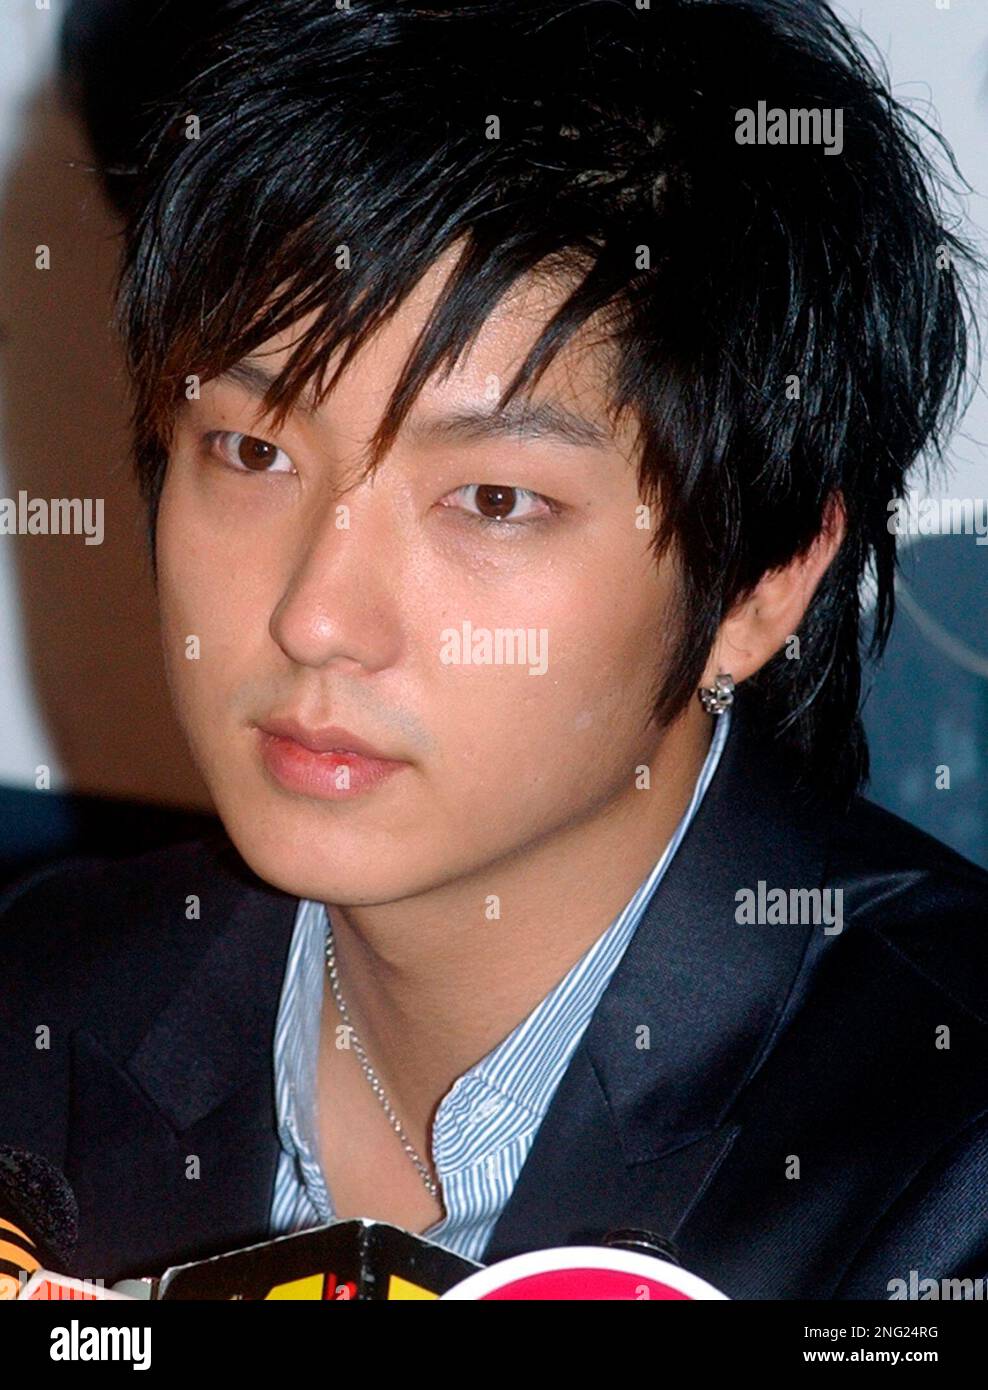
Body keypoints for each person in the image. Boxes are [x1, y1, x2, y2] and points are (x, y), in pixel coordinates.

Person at [2, 0, 987, 1298]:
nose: (316, 615)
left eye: (495, 500)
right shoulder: (44, 997)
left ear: (764, 578)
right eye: (252, 451)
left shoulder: (941, 1159)